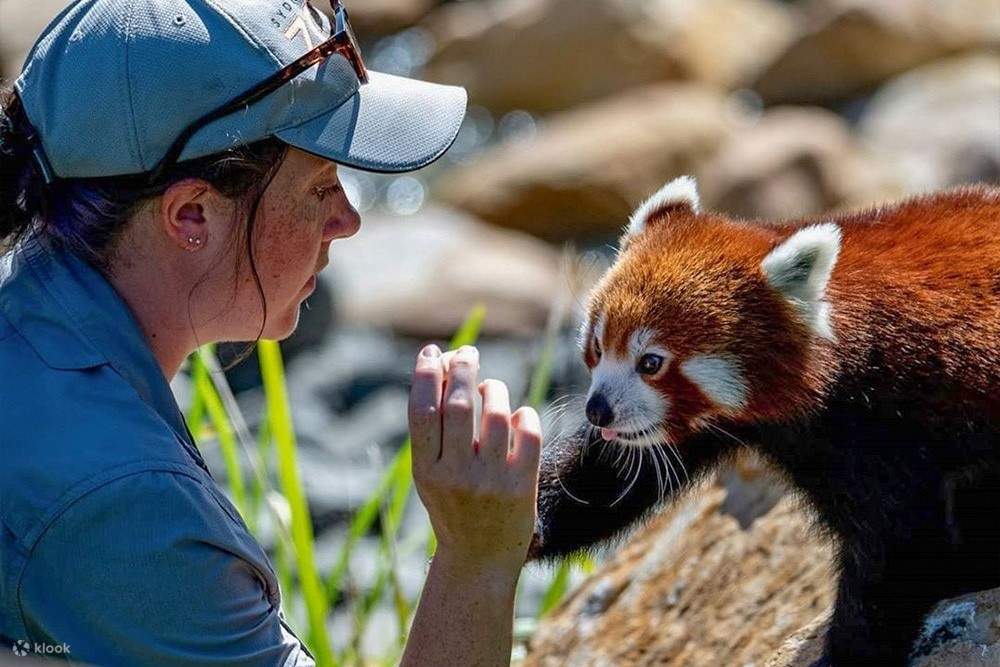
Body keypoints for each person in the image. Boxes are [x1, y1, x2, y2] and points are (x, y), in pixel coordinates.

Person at [0, 1, 542, 665]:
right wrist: (477, 557)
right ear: (192, 214)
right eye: (320, 184)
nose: (349, 219)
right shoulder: (126, 507)